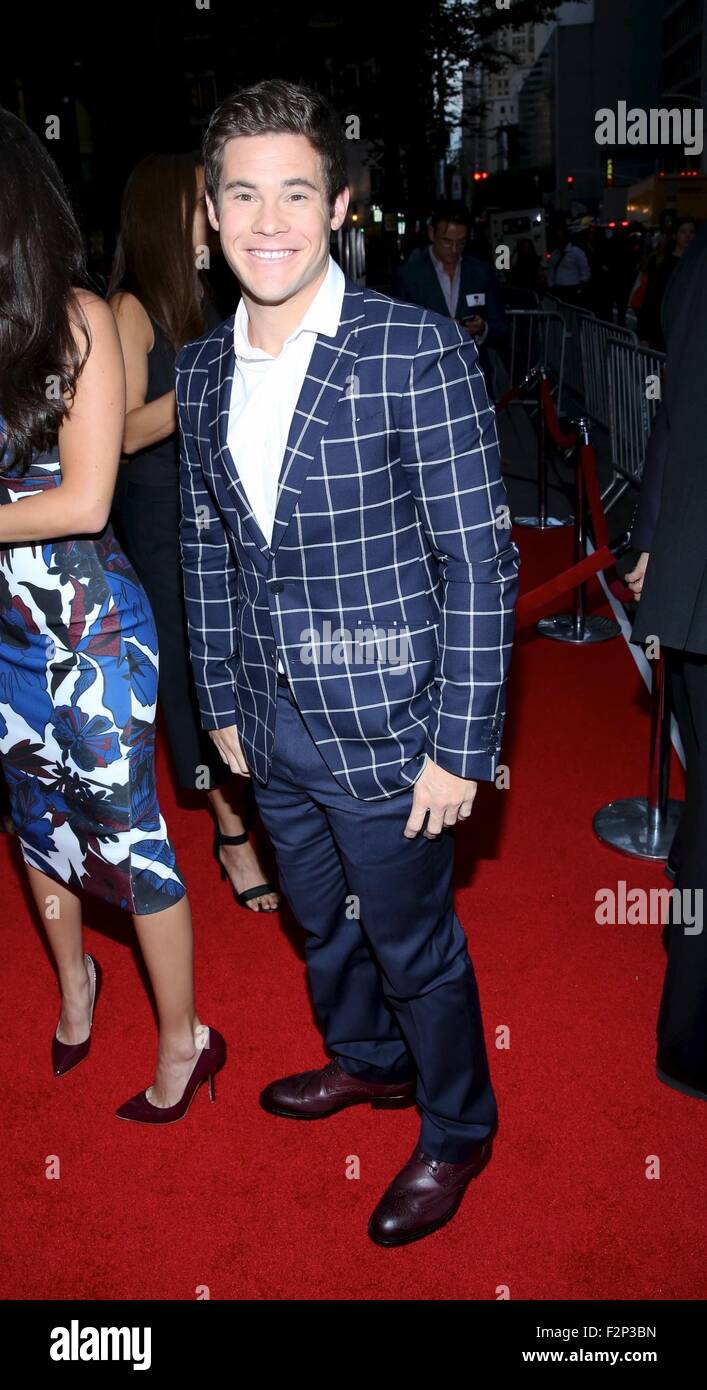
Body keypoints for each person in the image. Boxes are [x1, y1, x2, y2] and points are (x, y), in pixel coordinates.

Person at [177, 79, 519, 1246]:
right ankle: (368, 1061)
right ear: (209, 213)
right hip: (267, 725)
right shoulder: (201, 368)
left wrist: (460, 748)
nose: (268, 220)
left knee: (413, 946)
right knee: (322, 925)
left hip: (392, 728)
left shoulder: (413, 349)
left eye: (295, 193)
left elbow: (480, 560)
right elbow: (205, 544)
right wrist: (219, 700)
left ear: (336, 208)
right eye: (242, 195)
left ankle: (457, 1124)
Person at [0, 109, 225, 1123]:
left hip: (90, 631)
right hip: (6, 632)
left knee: (128, 837)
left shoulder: (82, 319)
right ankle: (76, 985)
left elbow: (86, 500)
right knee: (34, 823)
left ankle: (186, 1040)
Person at [108, 153, 278, 912]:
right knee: (189, 673)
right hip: (159, 517)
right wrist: (208, 384)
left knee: (238, 657)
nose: (214, 212)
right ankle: (231, 832)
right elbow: (121, 432)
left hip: (216, 503)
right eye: (200, 201)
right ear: (163, 214)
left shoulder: (207, 295)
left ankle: (255, 798)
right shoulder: (129, 309)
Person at [627, 221, 707, 1104]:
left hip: (688, 577)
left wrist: (651, 538)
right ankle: (689, 1037)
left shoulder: (696, 258)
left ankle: (684, 935)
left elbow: (672, 414)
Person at [391, 200, 507, 398]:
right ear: (431, 234)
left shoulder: (481, 272)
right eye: (446, 241)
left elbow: (501, 327)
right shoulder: (409, 276)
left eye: (461, 242)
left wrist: (482, 328)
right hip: (426, 382)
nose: (454, 249)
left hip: (472, 380)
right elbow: (397, 332)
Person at [637, 218, 696, 352]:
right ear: (675, 235)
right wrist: (644, 334)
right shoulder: (663, 264)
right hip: (664, 325)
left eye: (691, 232)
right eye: (683, 232)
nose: (688, 236)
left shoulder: (697, 264)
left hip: (689, 327)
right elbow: (651, 297)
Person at [547, 223, 591, 305]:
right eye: (557, 236)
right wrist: (551, 285)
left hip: (573, 288)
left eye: (561, 236)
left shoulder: (576, 252)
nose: (559, 239)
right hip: (559, 288)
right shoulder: (555, 253)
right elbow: (551, 270)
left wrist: (581, 285)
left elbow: (585, 270)